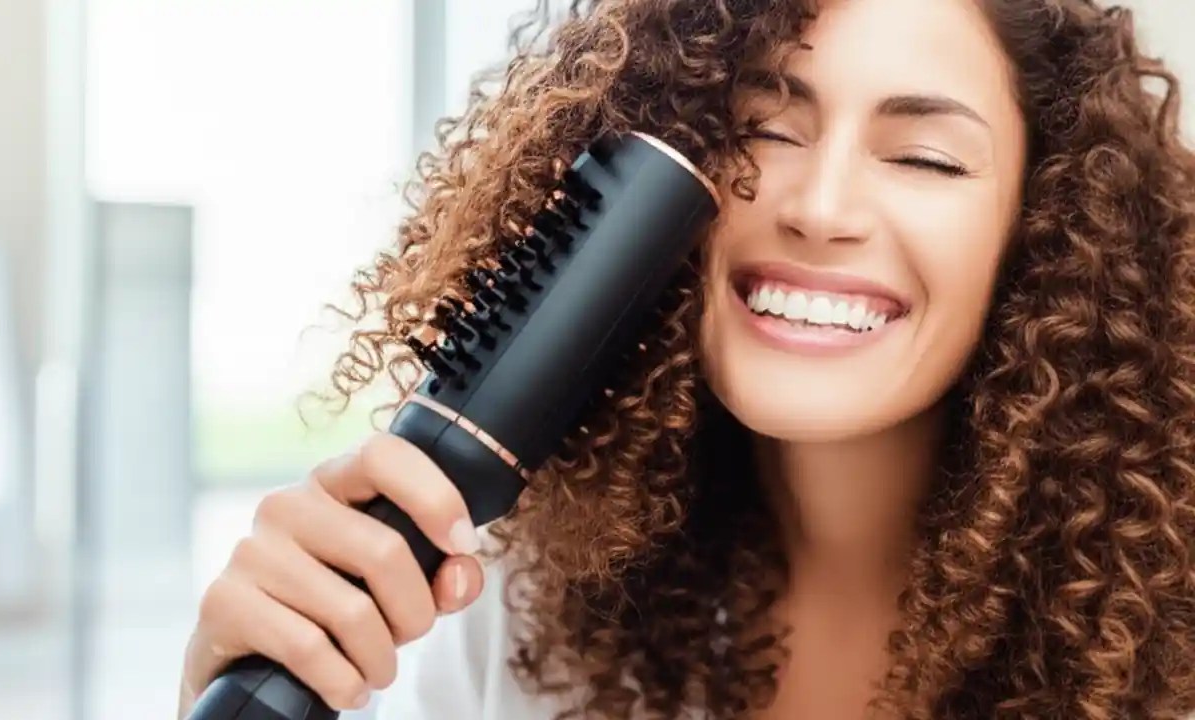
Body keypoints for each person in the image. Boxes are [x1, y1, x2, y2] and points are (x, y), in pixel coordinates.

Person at [178, 0, 1195, 717]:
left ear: (1048, 231)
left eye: (921, 157)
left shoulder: (1161, 648)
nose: (819, 207)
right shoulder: (512, 614)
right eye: (763, 129)